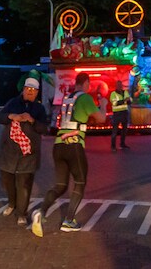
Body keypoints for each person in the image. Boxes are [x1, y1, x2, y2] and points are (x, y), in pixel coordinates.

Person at [30, 72, 98, 237]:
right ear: (86, 83)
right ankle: (69, 221)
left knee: (60, 185)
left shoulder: (67, 98)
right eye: (89, 84)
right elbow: (101, 118)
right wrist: (102, 104)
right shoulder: (85, 98)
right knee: (80, 182)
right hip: (74, 144)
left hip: (59, 144)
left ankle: (41, 211)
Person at [0, 77, 51, 228]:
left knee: (24, 184)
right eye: (28, 89)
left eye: (33, 90)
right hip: (9, 151)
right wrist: (11, 116)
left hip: (28, 154)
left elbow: (45, 128)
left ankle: (22, 212)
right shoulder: (13, 103)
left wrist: (32, 121)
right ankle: (12, 203)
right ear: (24, 89)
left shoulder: (39, 109)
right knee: (7, 181)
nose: (30, 92)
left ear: (37, 92)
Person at [108, 78, 132, 151]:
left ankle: (122, 144)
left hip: (124, 112)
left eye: (120, 85)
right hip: (117, 114)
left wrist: (128, 101)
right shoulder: (113, 94)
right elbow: (115, 103)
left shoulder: (125, 92)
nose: (120, 86)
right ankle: (113, 146)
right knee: (115, 131)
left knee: (124, 130)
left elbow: (129, 101)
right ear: (116, 86)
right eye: (118, 85)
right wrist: (124, 100)